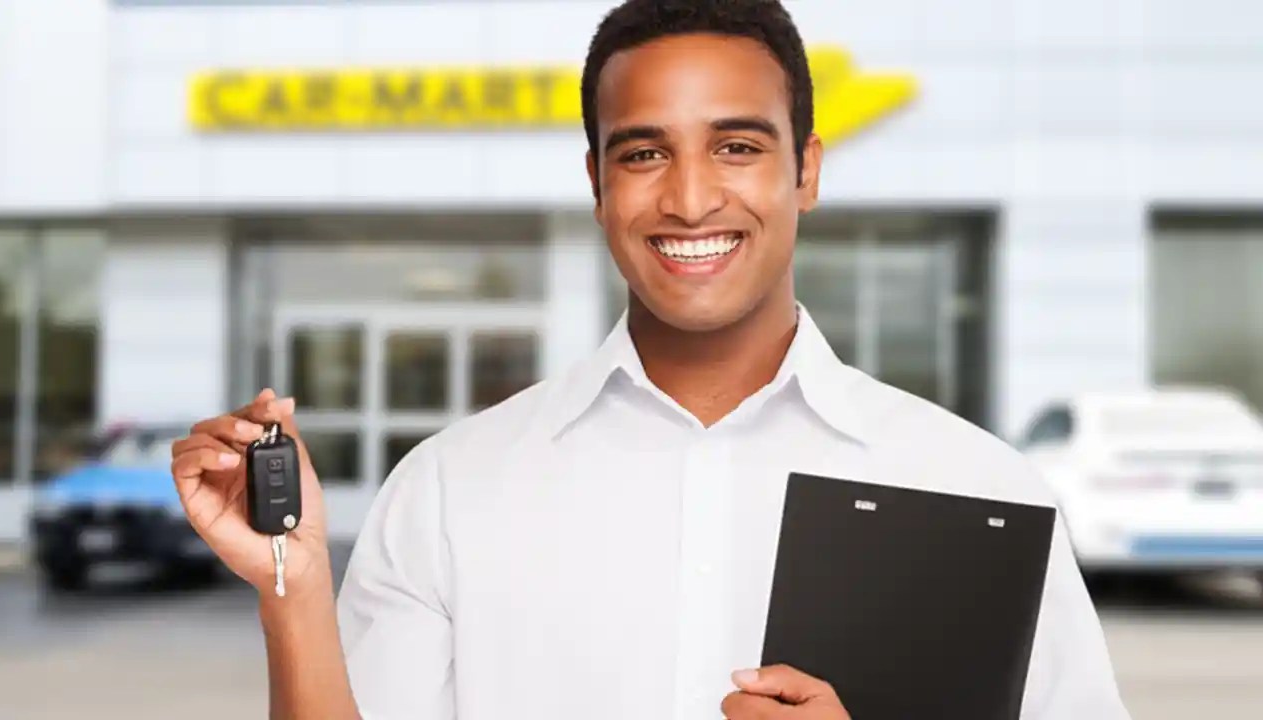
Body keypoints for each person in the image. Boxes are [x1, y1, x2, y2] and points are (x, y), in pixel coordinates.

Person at [169, 1, 1132, 718]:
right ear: (596, 183)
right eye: (642, 155)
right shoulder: (449, 491)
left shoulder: (975, 485)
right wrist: (290, 594)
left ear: (807, 171)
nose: (690, 198)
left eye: (738, 145)